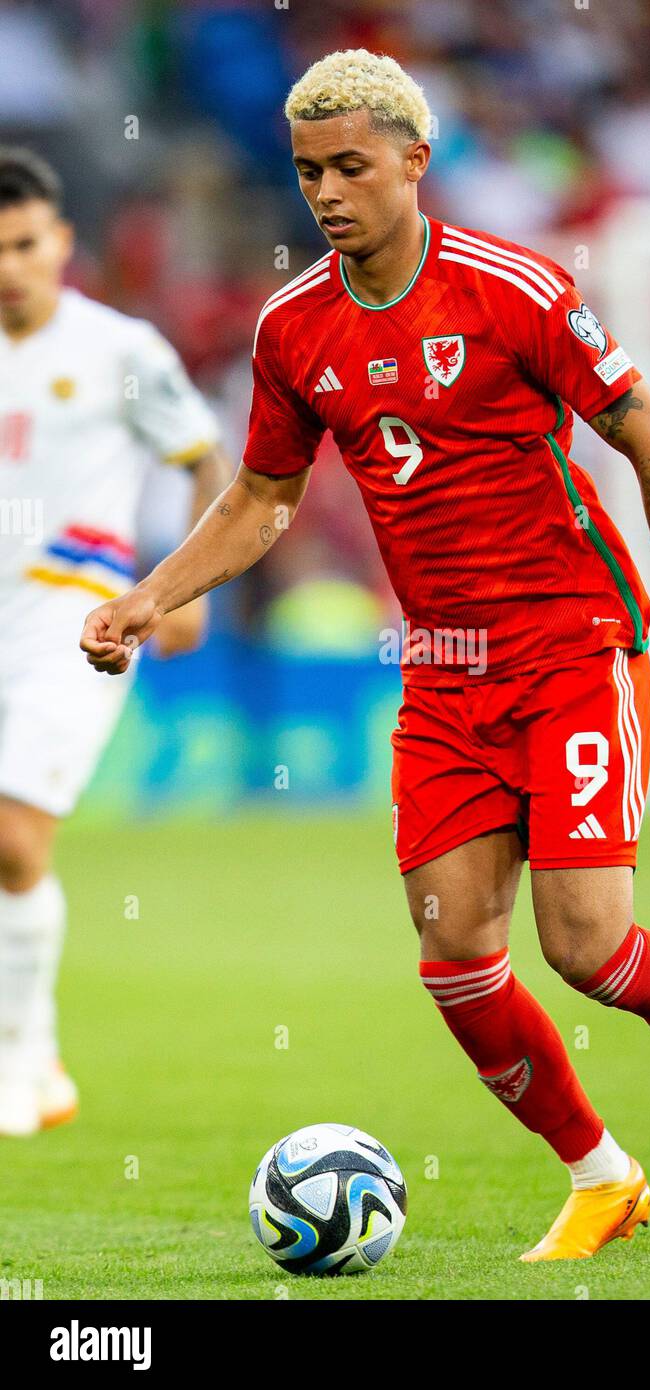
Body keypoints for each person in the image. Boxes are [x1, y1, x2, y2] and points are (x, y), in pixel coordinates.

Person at [80, 51, 650, 1259]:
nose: (325, 192)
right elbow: (265, 498)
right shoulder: (292, 328)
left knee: (582, 946)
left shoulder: (513, 288)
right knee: (455, 959)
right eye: (308, 170)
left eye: (351, 167)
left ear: (413, 163)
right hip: (442, 672)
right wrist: (146, 595)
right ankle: (601, 1175)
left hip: (573, 645)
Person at [0, 147, 231, 1136]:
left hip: (78, 617)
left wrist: (182, 587)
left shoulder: (118, 351)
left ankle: (19, 1060)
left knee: (13, 837)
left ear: (61, 245)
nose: (9, 265)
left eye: (23, 244)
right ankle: (40, 1063)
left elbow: (205, 458)